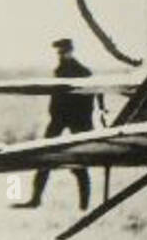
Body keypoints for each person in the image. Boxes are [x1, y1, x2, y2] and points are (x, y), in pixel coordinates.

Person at [13, 38, 95, 210]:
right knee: (45, 156)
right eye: (59, 52)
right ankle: (36, 199)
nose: (60, 55)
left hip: (75, 120)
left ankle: (83, 205)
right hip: (60, 119)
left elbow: (88, 98)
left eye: (63, 51)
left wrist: (84, 123)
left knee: (79, 162)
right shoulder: (63, 70)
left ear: (70, 51)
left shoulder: (82, 72)